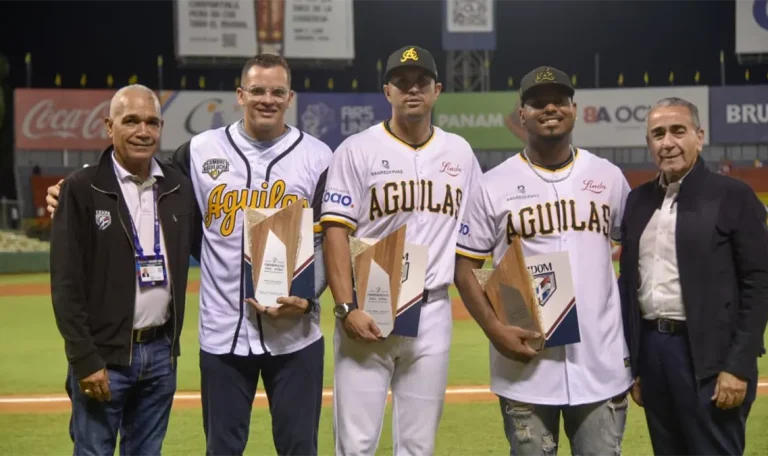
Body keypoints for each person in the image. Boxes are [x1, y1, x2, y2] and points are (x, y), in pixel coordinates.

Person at [46, 54, 333, 456]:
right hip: (223, 334)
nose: (266, 99)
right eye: (257, 90)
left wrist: (308, 295)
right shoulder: (199, 150)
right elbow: (136, 171)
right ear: (240, 95)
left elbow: (329, 241)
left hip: (295, 338)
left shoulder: (319, 156)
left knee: (300, 448)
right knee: (222, 449)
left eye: (276, 91)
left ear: (290, 97)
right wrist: (75, 189)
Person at [453, 66, 632, 455]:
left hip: (601, 364)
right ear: (522, 114)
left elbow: (633, 262)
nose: (550, 108)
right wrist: (495, 331)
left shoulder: (609, 178)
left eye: (559, 100)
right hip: (525, 368)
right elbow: (465, 270)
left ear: (574, 109)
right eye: (537, 102)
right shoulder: (492, 185)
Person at [320, 45, 482, 456]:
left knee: (418, 445)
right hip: (369, 306)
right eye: (402, 82)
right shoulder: (356, 149)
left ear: (437, 90)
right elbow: (335, 232)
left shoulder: (459, 152)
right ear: (387, 91)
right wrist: (345, 308)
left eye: (421, 82)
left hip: (433, 309)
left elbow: (479, 232)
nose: (412, 89)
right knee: (356, 444)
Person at [49, 84, 196, 455]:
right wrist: (84, 359)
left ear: (161, 127)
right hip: (104, 358)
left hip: (161, 354)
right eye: (131, 121)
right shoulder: (81, 188)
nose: (142, 131)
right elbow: (66, 285)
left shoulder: (178, 187)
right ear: (108, 126)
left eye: (151, 122)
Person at [618, 97, 768, 456]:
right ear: (649, 143)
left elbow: (759, 283)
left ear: (699, 137)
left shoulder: (733, 195)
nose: (667, 142)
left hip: (711, 360)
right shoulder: (637, 201)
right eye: (658, 134)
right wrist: (636, 365)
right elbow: (628, 284)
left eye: (678, 131)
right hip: (654, 353)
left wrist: (738, 367)